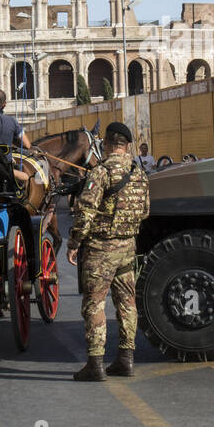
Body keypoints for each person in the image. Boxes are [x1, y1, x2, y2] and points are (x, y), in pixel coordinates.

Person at [67, 121, 150, 381]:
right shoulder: (139, 172)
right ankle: (126, 359)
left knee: (94, 304)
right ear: (126, 146)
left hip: (101, 249)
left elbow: (85, 211)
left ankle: (95, 363)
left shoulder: (101, 172)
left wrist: (74, 244)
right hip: (128, 247)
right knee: (127, 303)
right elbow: (146, 210)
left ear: (106, 144)